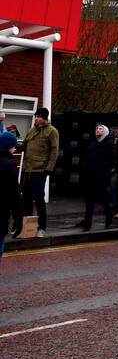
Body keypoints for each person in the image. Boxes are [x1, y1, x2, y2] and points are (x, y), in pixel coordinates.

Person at [21, 107, 60, 237]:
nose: (36, 118)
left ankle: (42, 227)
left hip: (40, 171)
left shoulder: (51, 131)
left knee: (39, 199)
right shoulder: (32, 130)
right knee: (26, 199)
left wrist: (48, 169)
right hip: (27, 170)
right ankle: (27, 227)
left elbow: (54, 151)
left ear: (44, 118)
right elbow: (24, 146)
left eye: (39, 116)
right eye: (36, 116)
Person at [77, 124, 115, 232]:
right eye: (97, 129)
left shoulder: (108, 144)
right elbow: (87, 157)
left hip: (101, 176)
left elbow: (111, 160)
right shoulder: (93, 143)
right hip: (90, 175)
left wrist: (103, 169)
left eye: (100, 129)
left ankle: (109, 215)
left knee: (103, 198)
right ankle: (87, 221)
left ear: (105, 131)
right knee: (89, 199)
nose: (97, 130)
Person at [0, 131, 23, 264]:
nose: (15, 149)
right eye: (14, 146)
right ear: (9, 147)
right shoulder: (9, 165)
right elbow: (14, 194)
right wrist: (18, 218)